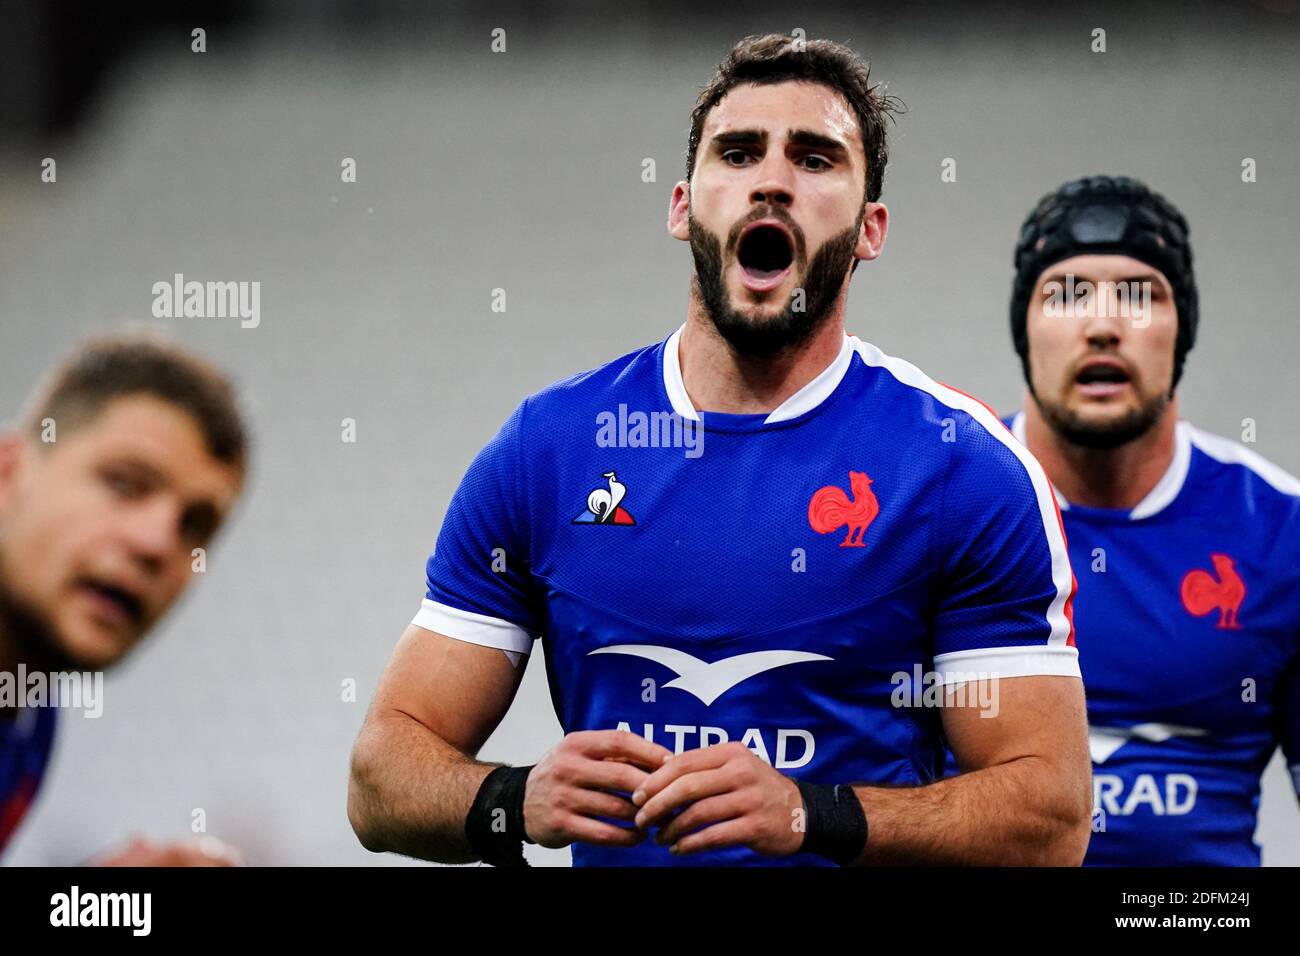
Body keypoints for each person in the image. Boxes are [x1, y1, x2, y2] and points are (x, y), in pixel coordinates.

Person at [349, 33, 1091, 867]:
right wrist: (511, 799)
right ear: (681, 206)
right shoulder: (549, 450)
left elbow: (1050, 820)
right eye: (738, 153)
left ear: (870, 227)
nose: (772, 180)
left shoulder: (959, 468)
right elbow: (380, 779)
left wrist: (813, 815)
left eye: (815, 160)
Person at [960, 174, 1299, 865]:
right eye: (1067, 294)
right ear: (1024, 331)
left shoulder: (1280, 535)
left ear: (1185, 333)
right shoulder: (944, 506)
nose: (1104, 324)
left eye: (1142, 295)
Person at [0, 334, 248, 865]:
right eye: (125, 484)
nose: (157, 544)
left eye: (195, 525)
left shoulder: (32, 706)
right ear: (8, 474)